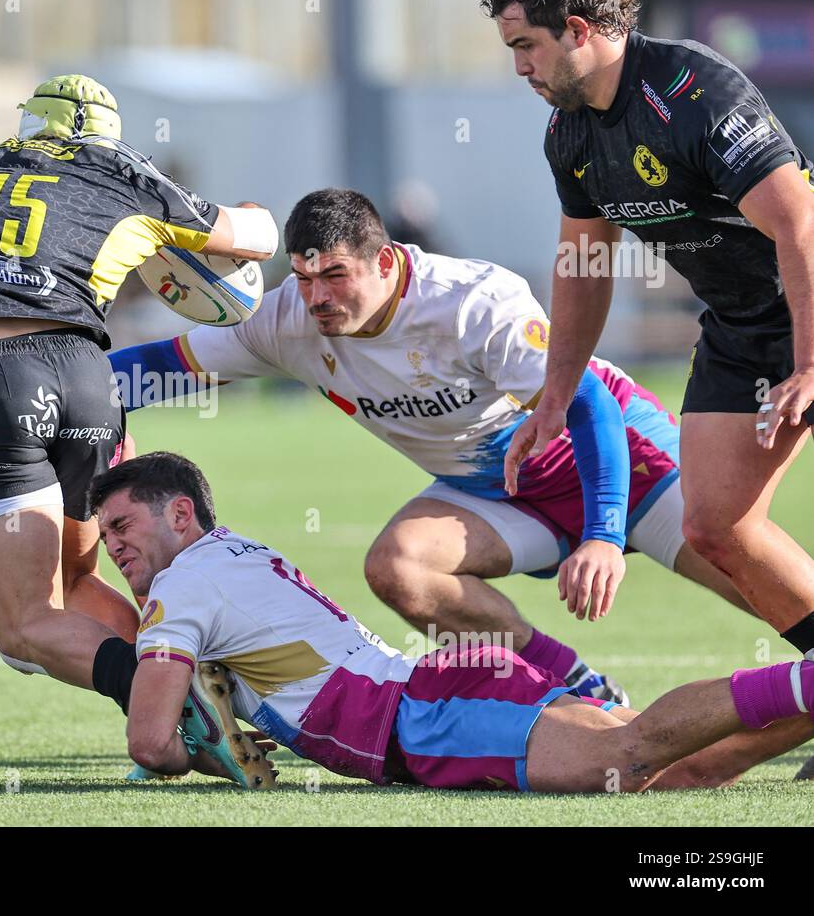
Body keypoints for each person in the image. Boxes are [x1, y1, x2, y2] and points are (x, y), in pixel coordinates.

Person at [111, 188, 756, 706]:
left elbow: (587, 404)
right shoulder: (288, 321)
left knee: (749, 573)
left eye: (335, 275)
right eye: (305, 278)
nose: (318, 299)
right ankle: (574, 689)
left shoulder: (470, 301)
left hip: (613, 456)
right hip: (499, 494)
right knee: (398, 568)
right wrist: (53, 384)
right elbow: (166, 365)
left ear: (386, 262)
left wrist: (603, 534)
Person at [92, 451, 814, 792]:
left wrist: (202, 754)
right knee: (681, 772)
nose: (112, 545)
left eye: (122, 524)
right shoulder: (228, 557)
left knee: (631, 754)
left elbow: (152, 741)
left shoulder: (182, 584)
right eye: (105, 533)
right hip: (442, 695)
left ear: (179, 514)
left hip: (426, 714)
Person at [0, 73, 277, 718]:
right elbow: (258, 239)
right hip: (89, 380)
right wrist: (249, 215)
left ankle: (181, 707)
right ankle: (221, 691)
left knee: (26, 628)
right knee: (76, 583)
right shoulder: (123, 174)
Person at [483, 0, 814, 663]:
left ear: (577, 30)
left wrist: (812, 363)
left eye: (525, 46)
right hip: (743, 326)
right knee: (716, 528)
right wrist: (554, 398)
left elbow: (801, 226)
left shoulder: (693, 90)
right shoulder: (569, 133)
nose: (519, 68)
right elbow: (582, 266)